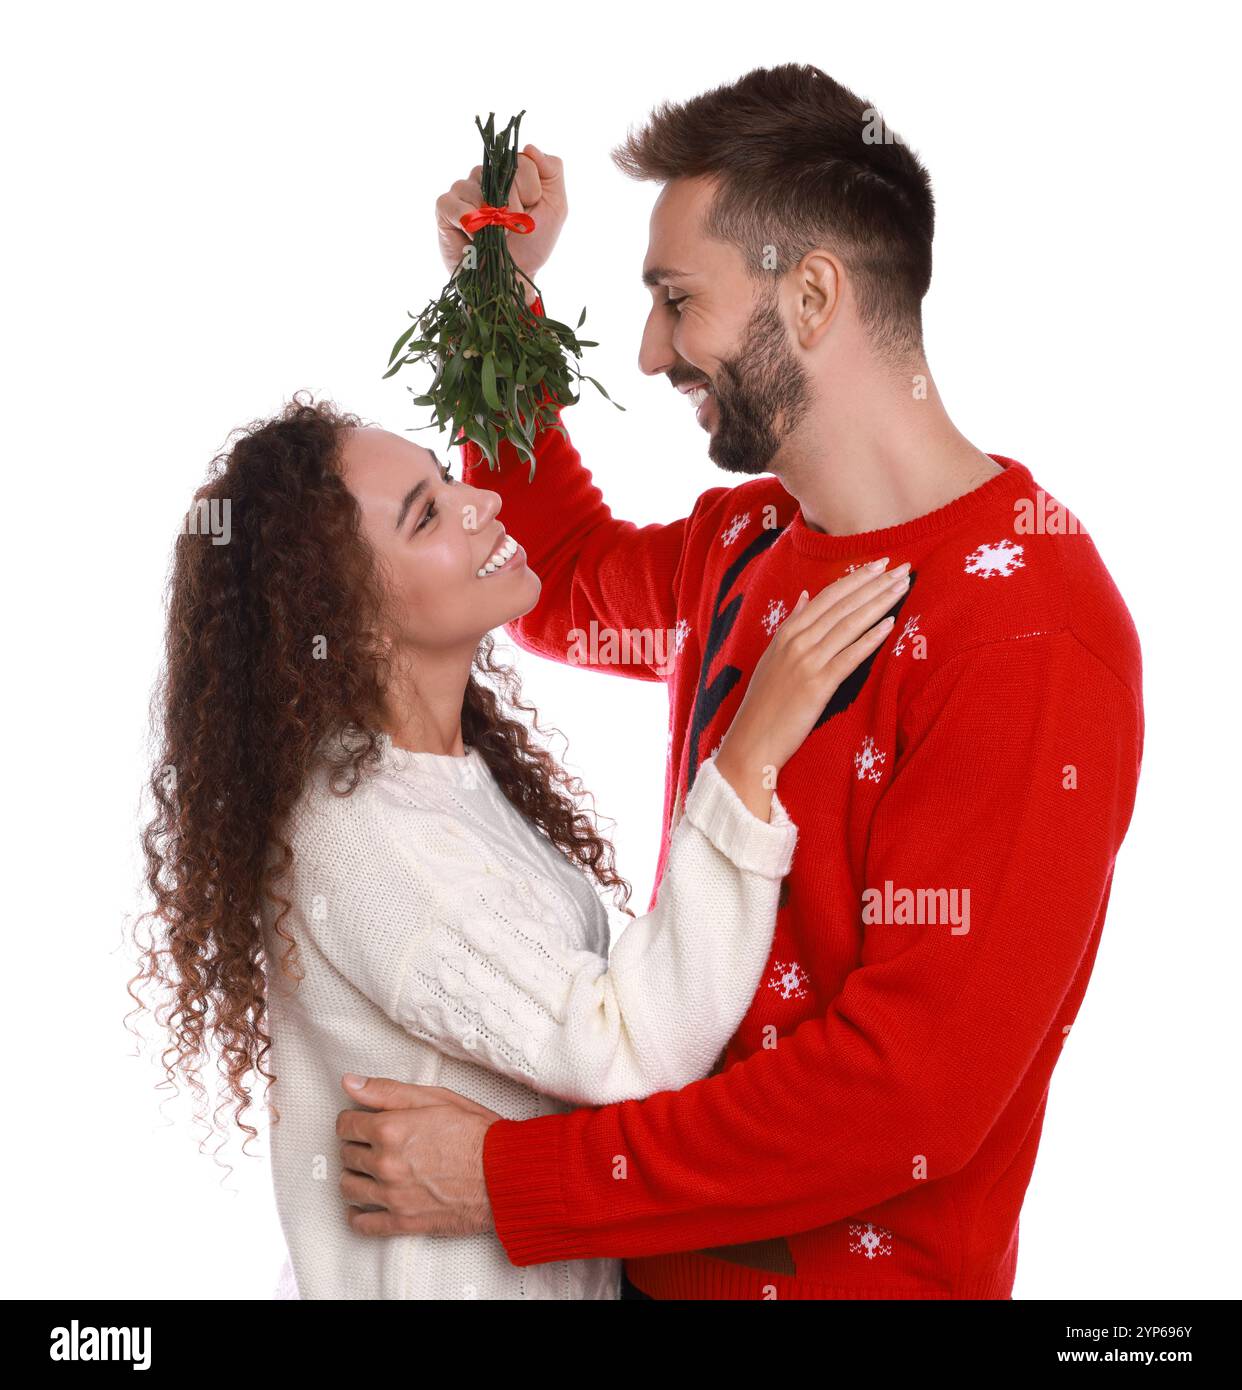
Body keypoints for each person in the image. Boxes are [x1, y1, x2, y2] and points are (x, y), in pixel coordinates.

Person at [339, 63, 1145, 1300]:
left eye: (676, 299)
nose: (654, 348)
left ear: (811, 295)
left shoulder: (1030, 627)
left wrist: (508, 1179)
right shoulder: (753, 540)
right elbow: (549, 577)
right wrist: (496, 292)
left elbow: (901, 1097)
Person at [130, 390, 902, 1299]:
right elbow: (627, 1050)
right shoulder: (366, 832)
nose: (482, 503)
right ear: (350, 618)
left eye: (448, 478)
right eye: (427, 515)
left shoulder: (441, 772)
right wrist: (747, 758)